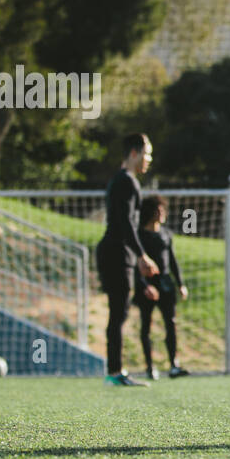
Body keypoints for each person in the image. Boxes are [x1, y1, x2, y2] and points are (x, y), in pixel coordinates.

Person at [95, 133, 158, 387]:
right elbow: (125, 224)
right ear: (134, 153)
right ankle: (115, 372)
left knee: (119, 313)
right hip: (116, 252)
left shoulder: (122, 181)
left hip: (118, 252)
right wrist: (142, 255)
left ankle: (115, 371)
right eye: (147, 154)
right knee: (118, 313)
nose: (149, 159)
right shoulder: (127, 182)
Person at [134, 194, 190, 380]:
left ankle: (174, 364)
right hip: (148, 285)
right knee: (146, 326)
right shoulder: (139, 236)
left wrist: (180, 284)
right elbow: (135, 264)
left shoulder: (166, 234)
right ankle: (150, 367)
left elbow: (172, 261)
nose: (162, 213)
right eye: (158, 209)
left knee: (171, 323)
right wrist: (144, 286)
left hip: (165, 283)